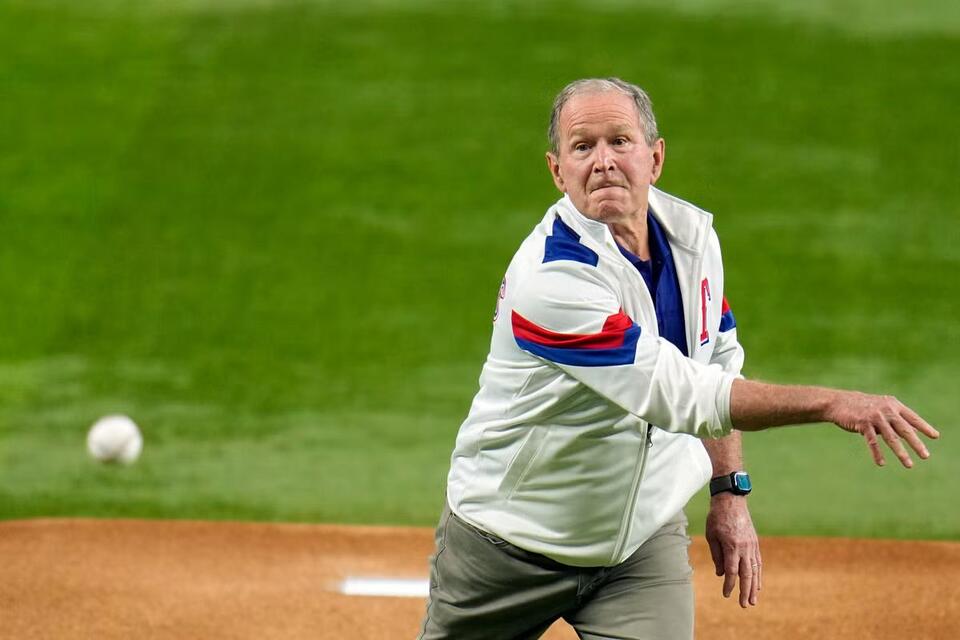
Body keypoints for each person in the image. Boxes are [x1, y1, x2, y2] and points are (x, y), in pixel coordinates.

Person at [417, 77, 938, 640]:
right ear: (556, 169)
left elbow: (716, 357)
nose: (604, 162)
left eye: (620, 140)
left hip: (640, 546)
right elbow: (685, 396)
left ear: (655, 157)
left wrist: (729, 489)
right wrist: (834, 402)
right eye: (582, 146)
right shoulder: (551, 282)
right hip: (509, 544)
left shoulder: (692, 238)